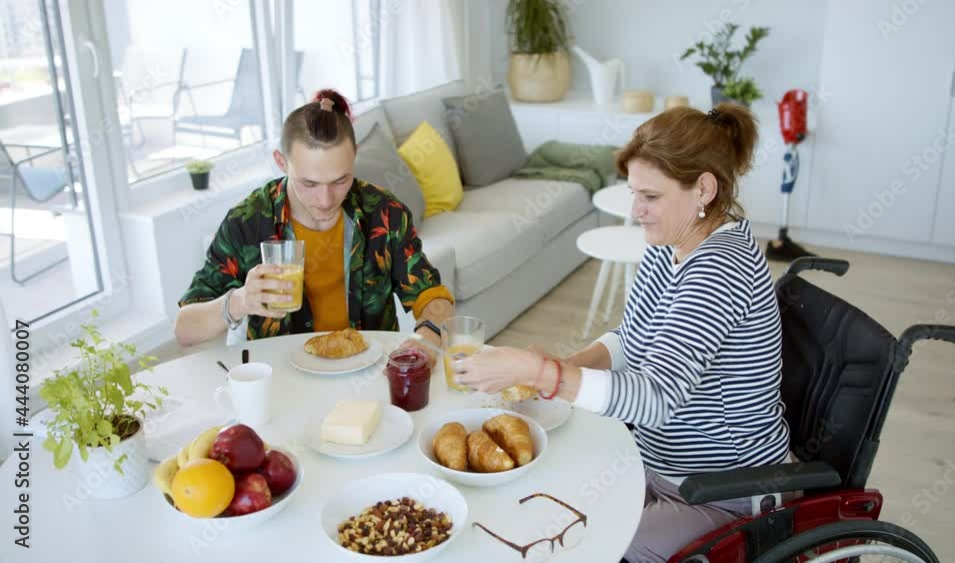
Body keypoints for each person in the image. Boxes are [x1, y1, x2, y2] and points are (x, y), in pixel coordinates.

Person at [458, 104, 791, 561]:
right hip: (655, 463)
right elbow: (632, 338)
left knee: (580, 543)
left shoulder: (720, 267)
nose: (636, 211)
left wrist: (538, 372)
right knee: (547, 511)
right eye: (634, 193)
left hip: (722, 488)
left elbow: (655, 398)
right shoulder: (672, 240)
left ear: (704, 190)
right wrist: (563, 368)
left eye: (650, 197)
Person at [174, 89, 454, 362]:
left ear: (354, 155)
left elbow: (433, 297)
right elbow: (185, 330)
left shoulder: (384, 213)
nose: (325, 200)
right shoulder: (248, 221)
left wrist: (427, 337)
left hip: (367, 373)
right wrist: (240, 300)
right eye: (309, 183)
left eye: (340, 181)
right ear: (281, 162)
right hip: (281, 379)